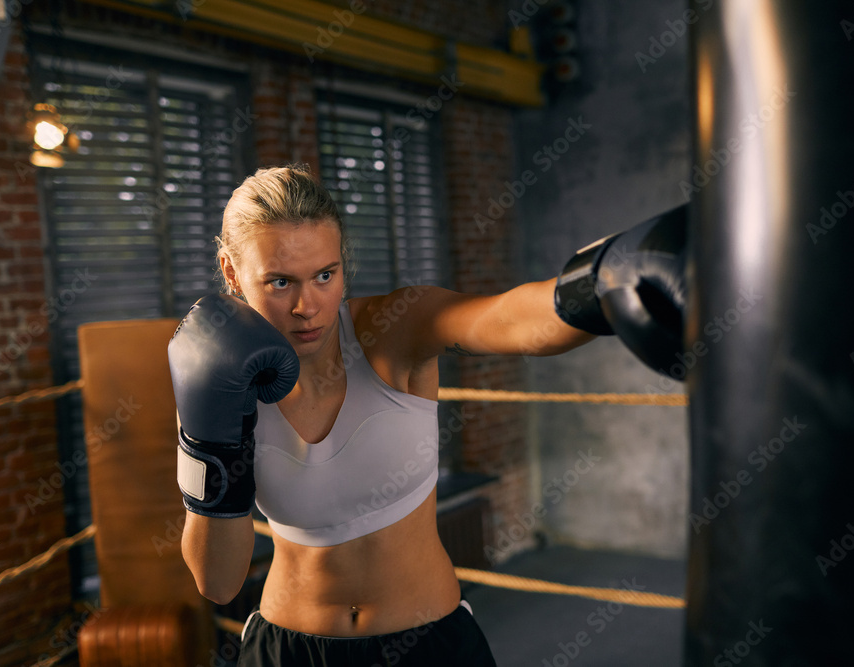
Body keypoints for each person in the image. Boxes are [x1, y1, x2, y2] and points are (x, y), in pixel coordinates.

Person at [169, 164, 598, 666]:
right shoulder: (218, 377)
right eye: (280, 282)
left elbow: (513, 318)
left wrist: (604, 282)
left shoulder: (394, 330)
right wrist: (212, 434)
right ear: (230, 272)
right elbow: (217, 583)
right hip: (287, 650)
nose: (308, 306)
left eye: (325, 275)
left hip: (426, 644)